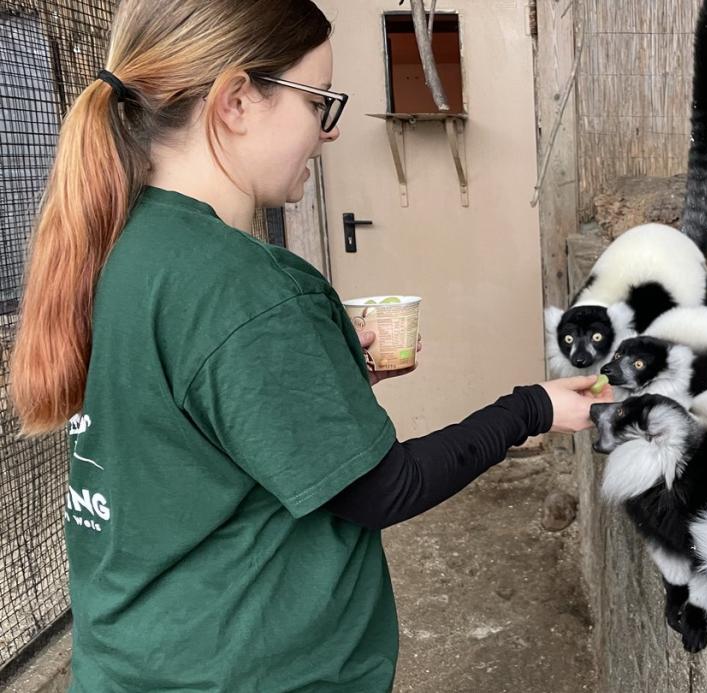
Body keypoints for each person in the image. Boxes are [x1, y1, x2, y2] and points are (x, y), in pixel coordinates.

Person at [8, 1, 610, 690]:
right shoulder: (239, 284)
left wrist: (323, 379)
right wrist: (531, 408)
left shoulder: (122, 241)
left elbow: (193, 431)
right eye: (318, 102)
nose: (329, 132)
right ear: (236, 100)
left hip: (133, 659)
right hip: (247, 669)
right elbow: (382, 489)